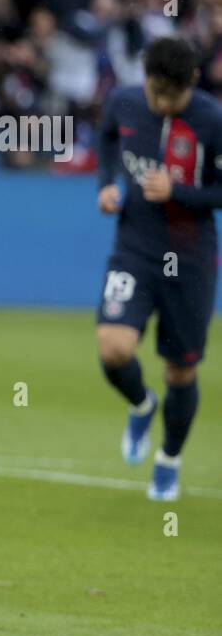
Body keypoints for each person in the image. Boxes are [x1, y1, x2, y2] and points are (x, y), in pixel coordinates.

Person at [94, 36, 222, 501]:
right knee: (113, 346)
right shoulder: (125, 103)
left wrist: (181, 193)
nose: (159, 103)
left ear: (191, 82)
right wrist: (107, 184)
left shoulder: (213, 122)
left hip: (190, 259)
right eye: (153, 92)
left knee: (180, 372)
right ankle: (142, 404)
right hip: (136, 246)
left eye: (169, 96)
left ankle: (168, 459)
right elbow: (106, 137)